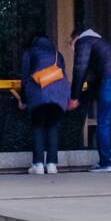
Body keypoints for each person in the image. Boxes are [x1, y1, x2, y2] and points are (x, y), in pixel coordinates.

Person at [67, 26, 111, 173]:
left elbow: (80, 70)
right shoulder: (103, 44)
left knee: (104, 121)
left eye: (70, 43)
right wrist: (82, 97)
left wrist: (74, 97)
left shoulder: (84, 41)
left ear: (75, 38)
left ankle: (105, 163)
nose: (72, 47)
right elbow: (94, 80)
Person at [18, 33, 70, 175]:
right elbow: (63, 74)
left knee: (38, 127)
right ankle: (52, 165)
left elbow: (24, 77)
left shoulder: (30, 52)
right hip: (59, 95)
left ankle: (38, 164)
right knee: (53, 128)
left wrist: (23, 100)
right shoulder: (57, 54)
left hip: (39, 93)